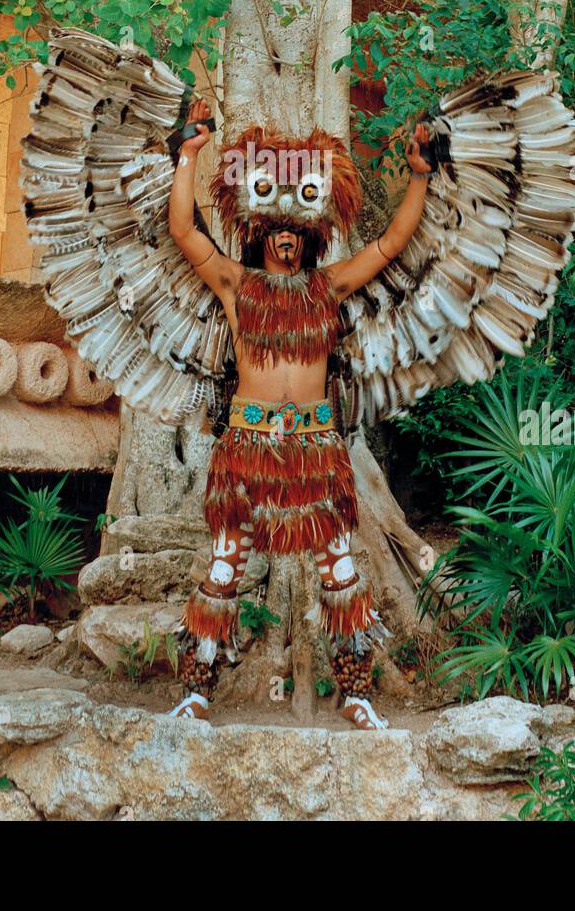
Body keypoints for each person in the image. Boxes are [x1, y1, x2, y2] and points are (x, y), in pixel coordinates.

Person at [167, 98, 433, 730]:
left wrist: (419, 174)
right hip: (247, 449)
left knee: (340, 570)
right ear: (261, 229)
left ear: (310, 232)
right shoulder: (236, 285)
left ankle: (357, 695)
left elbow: (394, 243)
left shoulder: (331, 286)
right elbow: (183, 231)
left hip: (317, 452)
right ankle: (195, 692)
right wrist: (188, 156)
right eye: (276, 228)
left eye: (296, 229)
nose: (286, 238)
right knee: (224, 566)